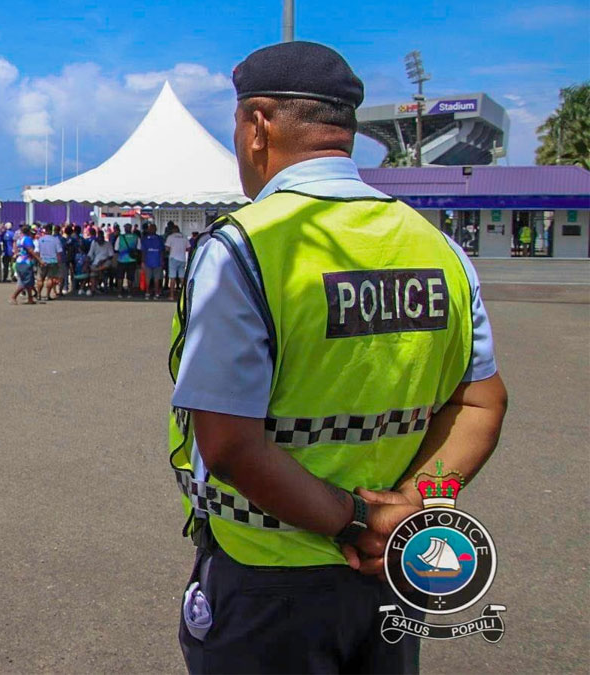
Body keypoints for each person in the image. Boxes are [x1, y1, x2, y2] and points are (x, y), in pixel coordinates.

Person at [168, 42, 506, 674]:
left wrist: (357, 525)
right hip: (392, 571)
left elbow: (230, 443)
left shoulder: (247, 246)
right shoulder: (436, 246)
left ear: (259, 125)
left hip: (268, 571)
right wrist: (413, 507)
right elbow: (481, 400)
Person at [10, 225, 39, 305]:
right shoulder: (27, 239)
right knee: (25, 282)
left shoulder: (20, 239)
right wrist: (40, 260)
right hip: (25, 262)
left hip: (20, 261)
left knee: (29, 281)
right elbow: (31, 251)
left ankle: (30, 298)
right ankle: (13, 296)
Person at [36, 223, 64, 301]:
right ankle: (47, 295)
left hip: (43, 260)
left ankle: (38, 294)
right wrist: (59, 262)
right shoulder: (55, 239)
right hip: (53, 260)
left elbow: (37, 251)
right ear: (51, 230)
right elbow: (58, 252)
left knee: (40, 278)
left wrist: (39, 260)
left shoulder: (41, 239)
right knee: (50, 278)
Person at [114, 223, 141, 297]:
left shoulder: (120, 237)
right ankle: (130, 293)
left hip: (121, 260)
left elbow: (116, 249)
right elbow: (139, 248)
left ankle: (119, 293)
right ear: (131, 228)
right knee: (130, 277)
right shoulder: (136, 237)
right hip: (132, 260)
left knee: (120, 277)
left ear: (125, 229)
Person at [164, 224, 189, 301]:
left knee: (172, 278)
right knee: (182, 278)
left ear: (172, 230)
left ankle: (172, 296)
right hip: (182, 259)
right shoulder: (184, 237)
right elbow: (188, 248)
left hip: (173, 258)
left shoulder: (170, 237)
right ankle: (184, 296)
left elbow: (167, 248)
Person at [87, 227, 114, 296]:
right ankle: (93, 289)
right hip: (96, 262)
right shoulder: (94, 243)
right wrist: (87, 261)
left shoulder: (108, 244)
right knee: (93, 274)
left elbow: (111, 256)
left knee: (106, 265)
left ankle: (97, 270)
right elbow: (90, 253)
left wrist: (103, 261)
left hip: (105, 261)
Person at [140, 223, 164, 300]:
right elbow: (162, 251)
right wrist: (162, 260)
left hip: (148, 261)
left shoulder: (145, 239)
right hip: (157, 261)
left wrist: (142, 261)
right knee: (156, 278)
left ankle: (147, 293)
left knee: (148, 278)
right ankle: (156, 294)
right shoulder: (160, 239)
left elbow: (143, 251)